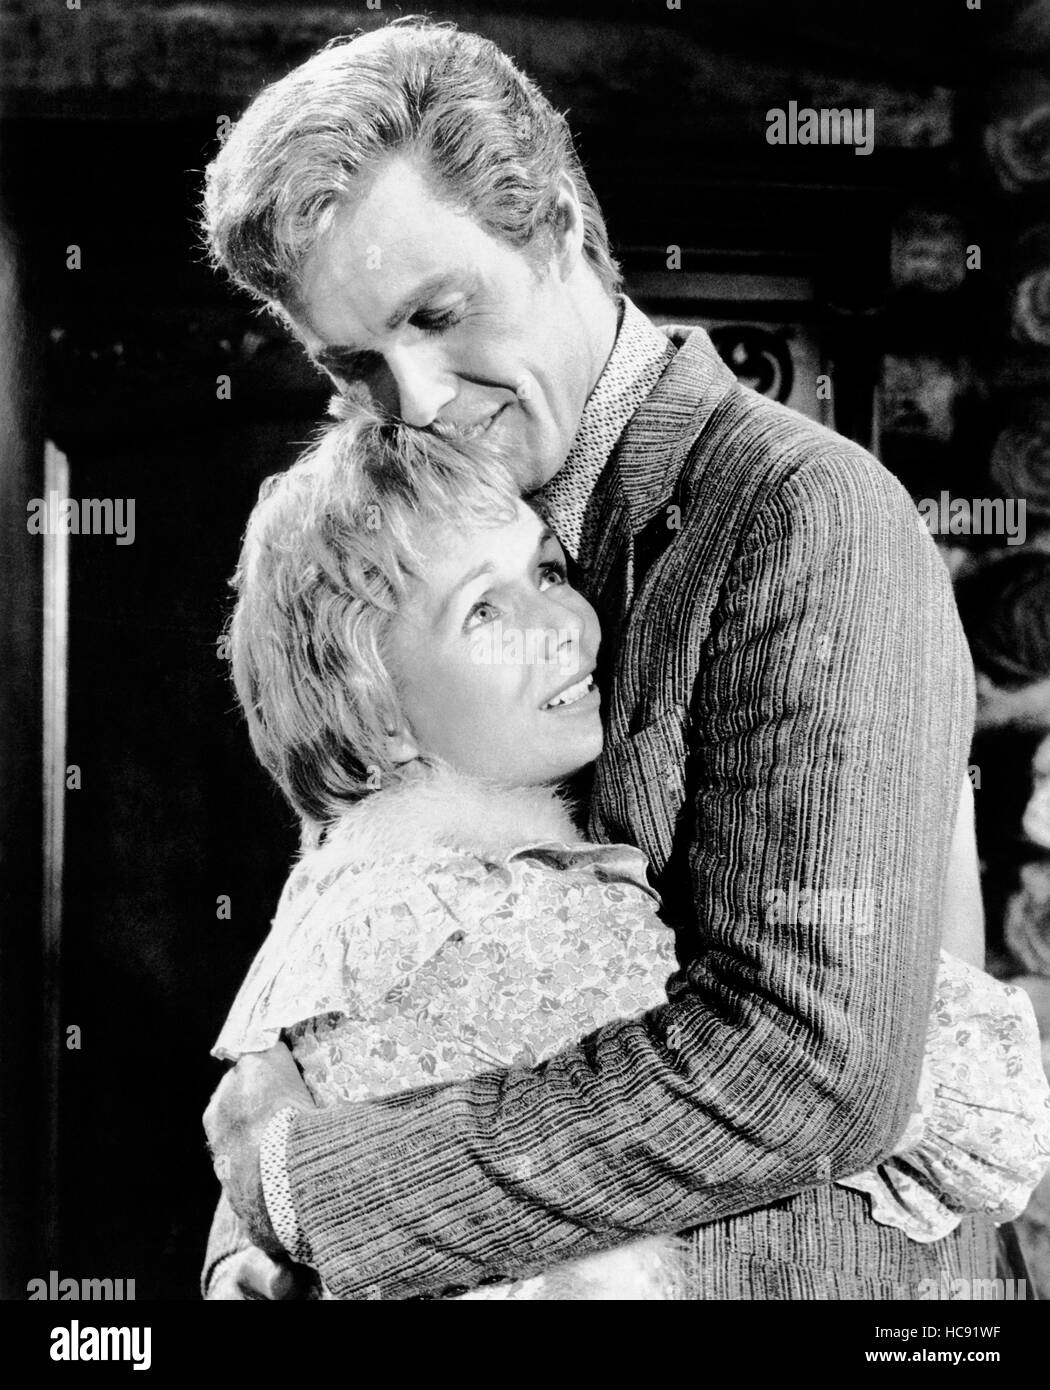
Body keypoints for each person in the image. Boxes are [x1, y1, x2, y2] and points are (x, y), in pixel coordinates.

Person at [202, 19, 1007, 1299]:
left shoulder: (806, 514)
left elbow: (809, 1070)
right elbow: (347, 960)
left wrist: (319, 1194)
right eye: (356, 361)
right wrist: (252, 1251)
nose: (411, 401)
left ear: (563, 225)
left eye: (436, 313)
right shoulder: (399, 549)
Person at [205, 410, 1050, 1300]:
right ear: (376, 711)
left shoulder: (369, 893)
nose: (560, 624)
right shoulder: (503, 916)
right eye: (484, 609)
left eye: (548, 570)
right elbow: (955, 1098)